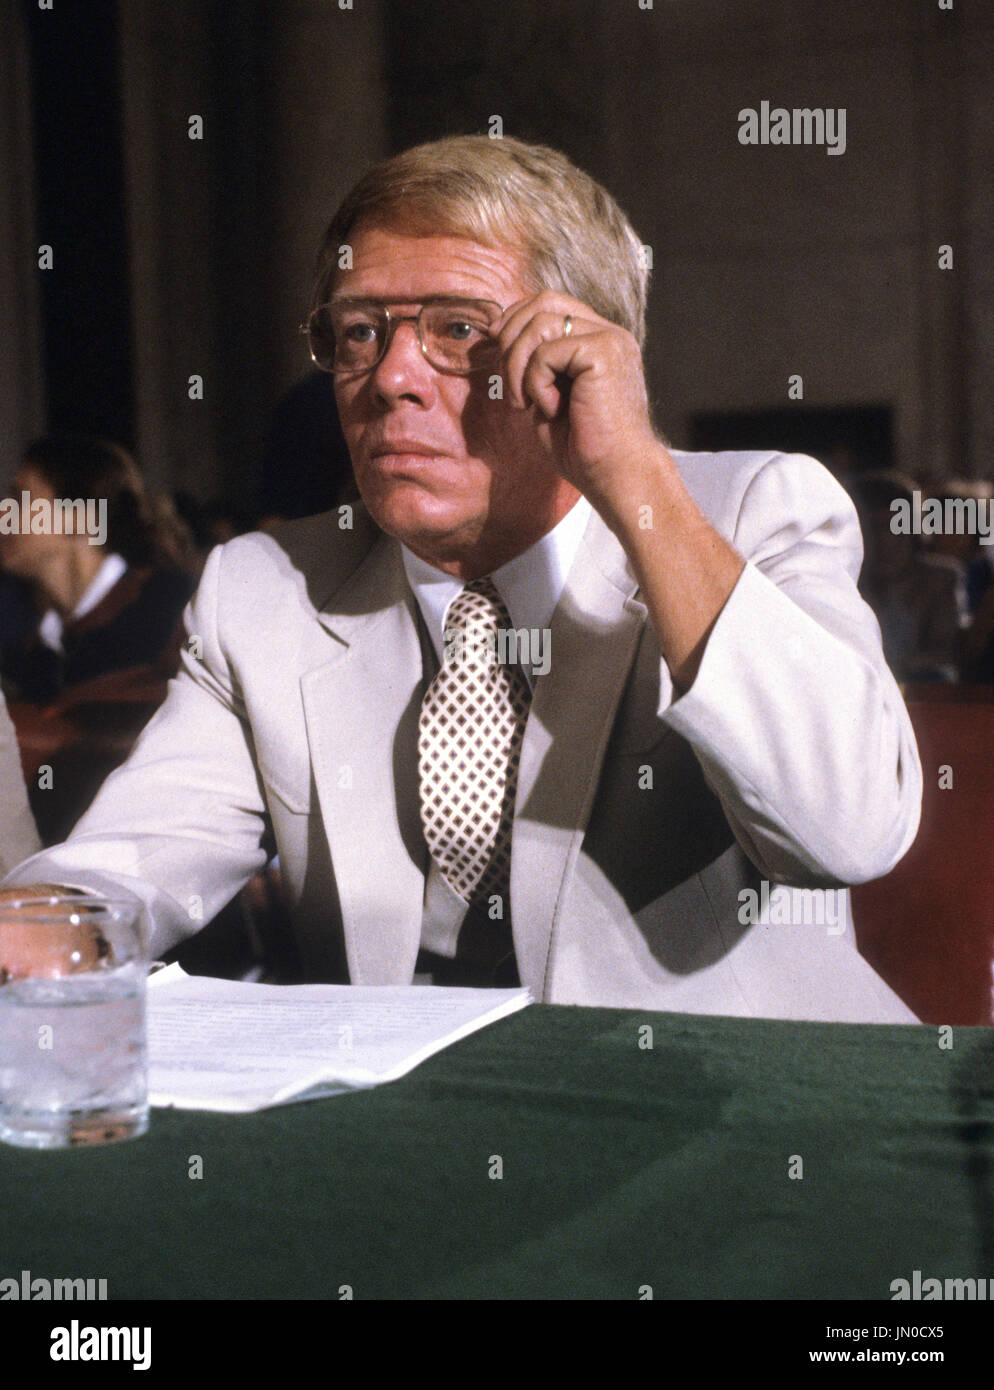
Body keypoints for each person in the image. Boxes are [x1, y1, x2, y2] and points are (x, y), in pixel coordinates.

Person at [1, 136, 922, 1020]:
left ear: (581, 355)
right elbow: (137, 853)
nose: (392, 376)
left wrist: (635, 473)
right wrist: (49, 929)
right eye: (359, 331)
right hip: (409, 1138)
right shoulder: (264, 590)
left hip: (741, 1126)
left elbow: (844, 829)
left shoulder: (752, 512)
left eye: (457, 330)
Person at [0, 436, 194, 704]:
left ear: (81, 518)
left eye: (20, 499)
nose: (4, 515)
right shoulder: (34, 650)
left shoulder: (168, 610)